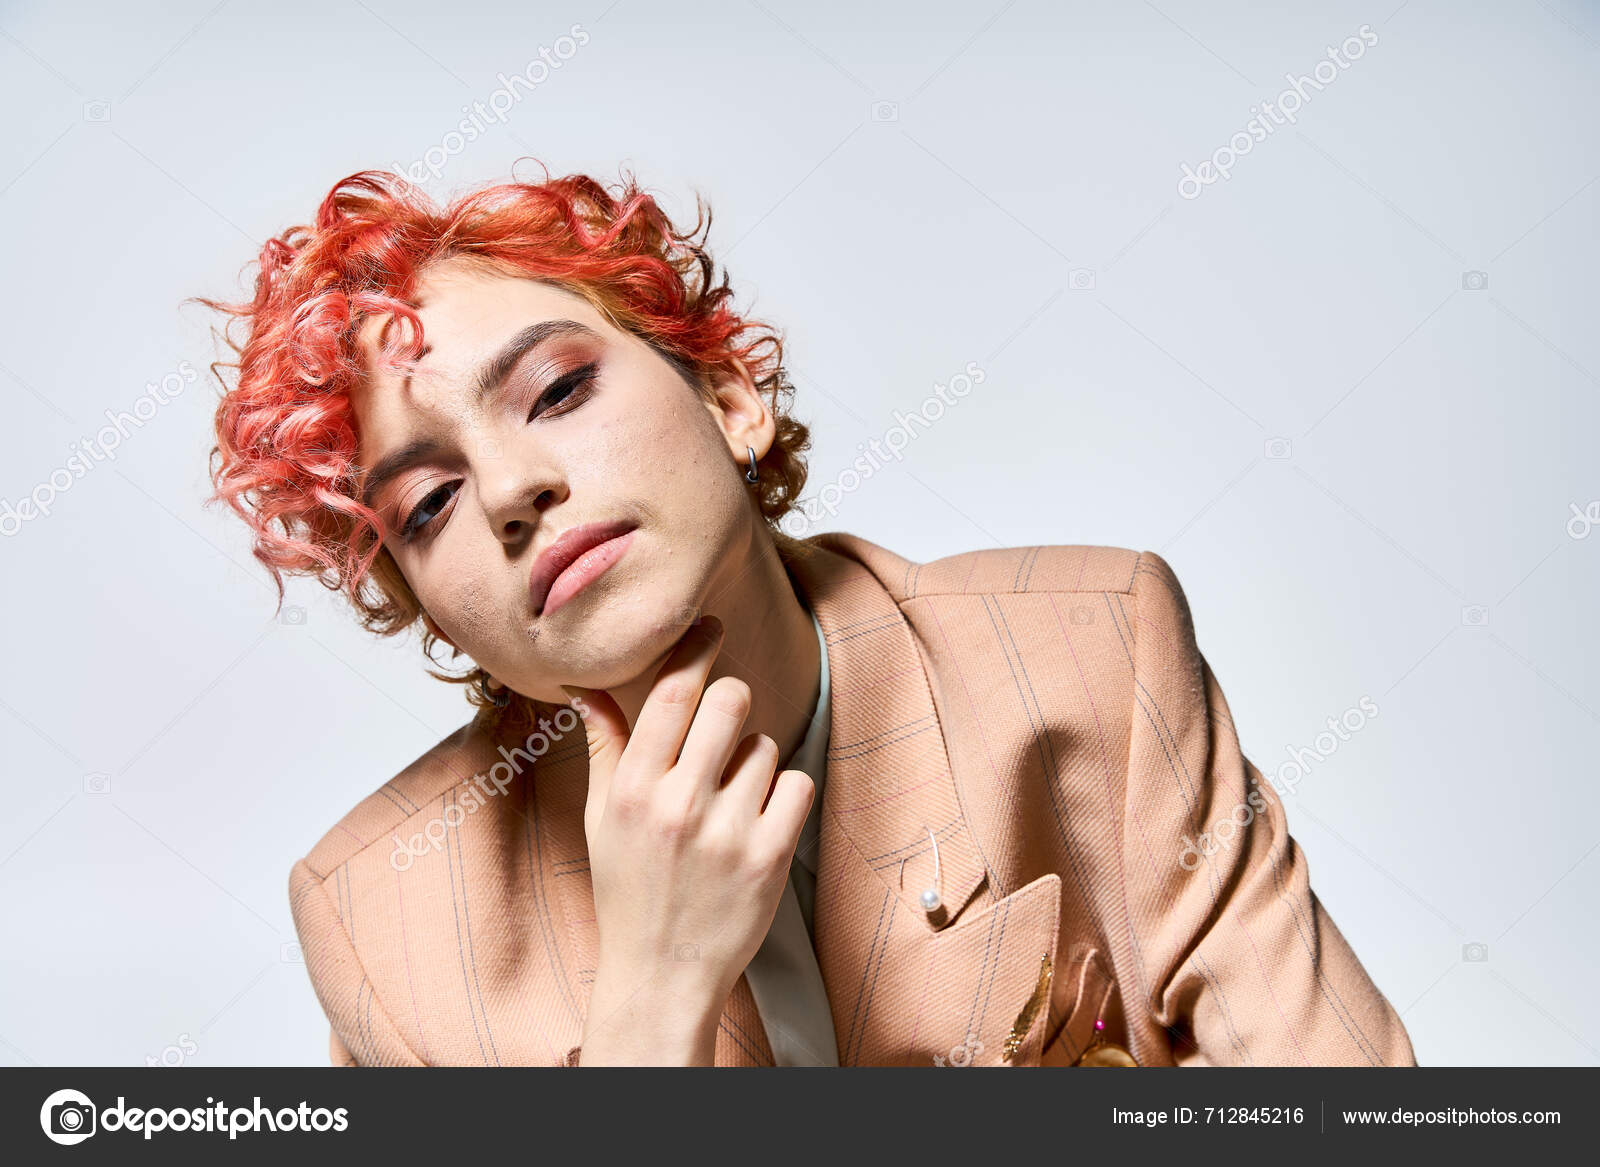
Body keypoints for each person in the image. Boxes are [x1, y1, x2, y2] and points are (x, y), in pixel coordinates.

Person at [202, 165, 1416, 1067]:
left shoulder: (1091, 654)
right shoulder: (383, 922)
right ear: (434, 612)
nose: (511, 488)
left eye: (558, 389)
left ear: (729, 397)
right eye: (427, 504)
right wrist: (652, 1000)